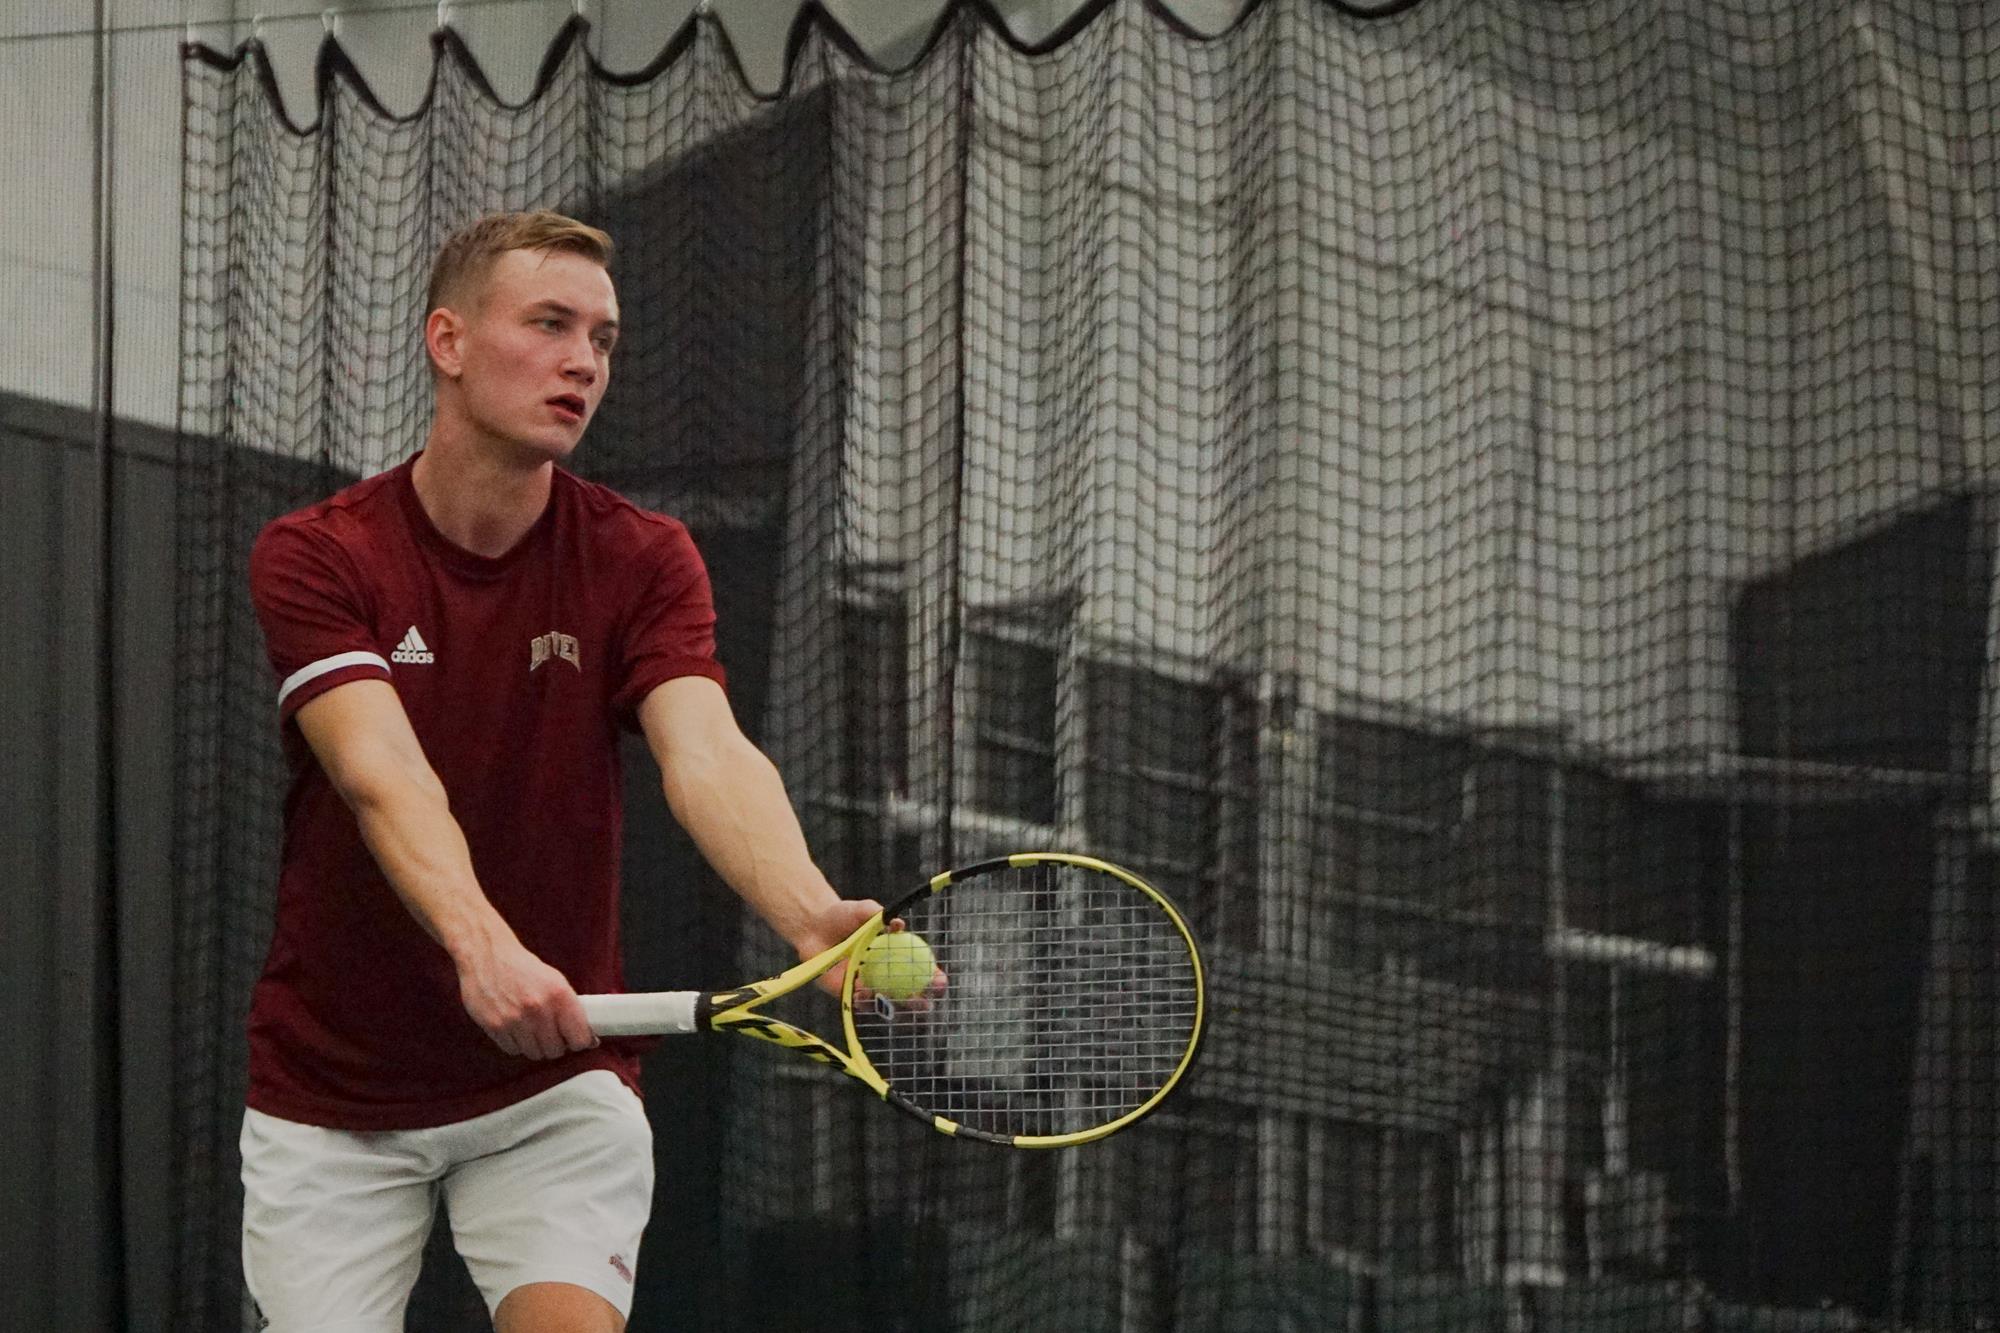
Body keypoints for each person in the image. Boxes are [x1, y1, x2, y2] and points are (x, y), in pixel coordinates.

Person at [242, 209, 876, 1333]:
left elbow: (706, 751)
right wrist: (481, 947)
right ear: (448, 340)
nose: (583, 360)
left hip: (554, 1076)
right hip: (335, 1093)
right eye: (549, 324)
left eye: (604, 338)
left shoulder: (640, 558)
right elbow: (381, 772)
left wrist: (806, 909)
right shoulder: (322, 553)